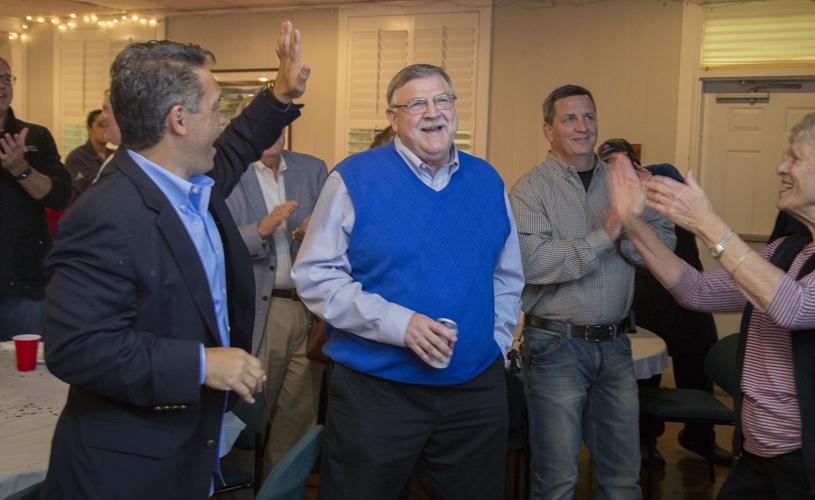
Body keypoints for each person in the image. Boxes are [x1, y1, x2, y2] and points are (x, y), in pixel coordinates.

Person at [40, 21, 309, 499]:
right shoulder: (104, 214)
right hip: (126, 475)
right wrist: (200, 364)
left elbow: (238, 144)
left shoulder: (192, 183)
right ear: (179, 120)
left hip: (188, 451)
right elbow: (78, 348)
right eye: (215, 108)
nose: (222, 120)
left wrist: (280, 95)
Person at [292, 63, 524, 500]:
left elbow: (507, 274)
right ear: (392, 116)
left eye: (442, 100)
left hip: (473, 392)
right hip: (376, 392)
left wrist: (493, 340)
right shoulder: (353, 178)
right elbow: (316, 276)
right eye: (416, 103)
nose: (432, 112)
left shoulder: (488, 181)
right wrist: (400, 325)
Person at [609, 112, 815, 499]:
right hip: (755, 455)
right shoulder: (787, 249)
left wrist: (704, 221)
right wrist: (632, 224)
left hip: (803, 464)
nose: (780, 166)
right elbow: (698, 291)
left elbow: (794, 307)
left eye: (795, 158)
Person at [509, 84, 675, 499]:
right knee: (557, 480)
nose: (583, 127)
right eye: (570, 119)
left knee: (623, 478)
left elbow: (664, 245)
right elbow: (536, 264)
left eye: (589, 117)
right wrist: (611, 230)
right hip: (554, 348)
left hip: (617, 346)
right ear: (548, 130)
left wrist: (627, 232)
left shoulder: (624, 181)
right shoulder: (529, 191)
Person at [598, 138, 728, 465]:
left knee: (698, 366)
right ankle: (646, 444)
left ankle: (699, 437)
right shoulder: (609, 200)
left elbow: (671, 187)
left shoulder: (663, 177)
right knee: (647, 376)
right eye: (610, 170)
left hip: (691, 291)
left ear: (637, 164)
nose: (618, 176)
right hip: (646, 295)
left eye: (622, 166)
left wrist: (643, 184)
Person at [225, 127, 328, 472]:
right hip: (259, 313)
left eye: (277, 127)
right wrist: (262, 230)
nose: (270, 134)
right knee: (248, 416)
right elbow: (214, 244)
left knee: (298, 418)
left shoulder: (312, 169)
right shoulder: (228, 173)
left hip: (309, 311)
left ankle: (282, 492)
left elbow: (334, 233)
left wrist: (317, 229)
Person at [0, 56, 71, 340]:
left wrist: (21, 169)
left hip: (23, 285)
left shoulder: (36, 137)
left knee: (29, 375)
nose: (2, 86)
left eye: (6, 78)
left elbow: (59, 198)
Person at [64, 109, 114, 196]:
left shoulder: (115, 156)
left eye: (108, 126)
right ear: (89, 128)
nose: (105, 130)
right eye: (101, 125)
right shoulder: (76, 157)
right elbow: (86, 188)